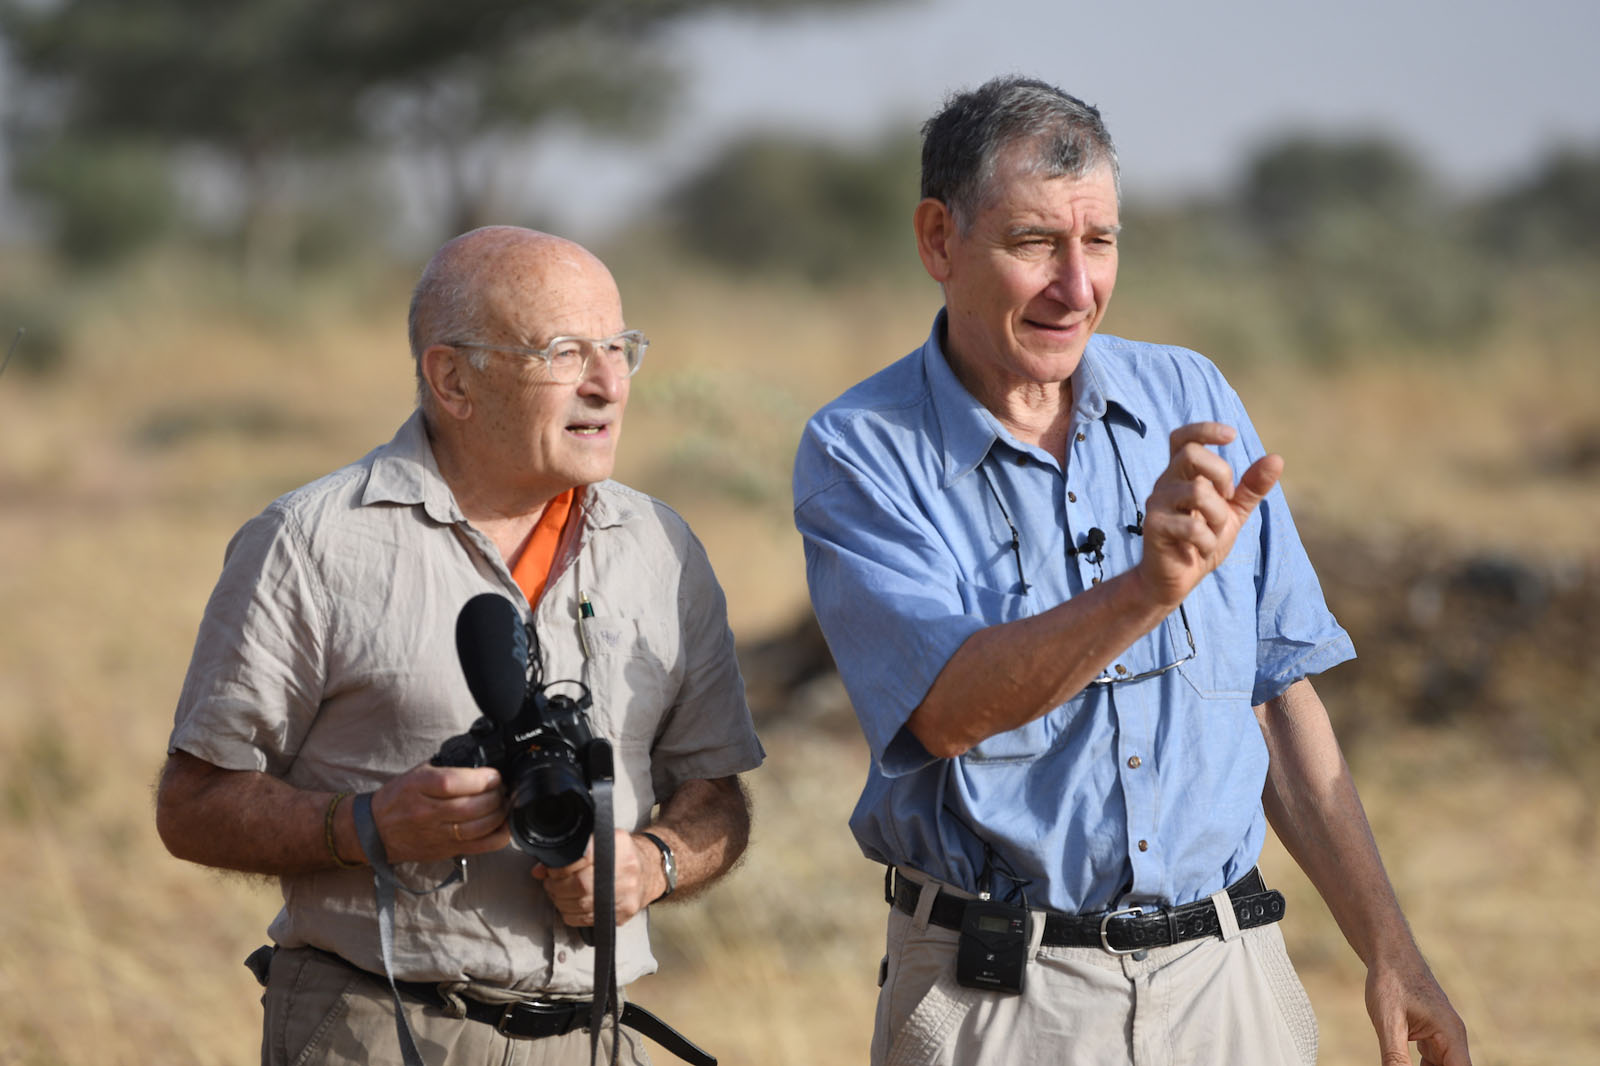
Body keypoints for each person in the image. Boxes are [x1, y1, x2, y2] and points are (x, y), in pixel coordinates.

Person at [792, 77, 1470, 1066]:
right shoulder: (862, 450)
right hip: (1004, 1002)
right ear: (939, 239)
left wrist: (1391, 949)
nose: (1077, 288)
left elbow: (1276, 696)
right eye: (1034, 244)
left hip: (1228, 984)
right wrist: (1144, 591)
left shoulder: (1190, 393)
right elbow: (944, 710)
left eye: (1099, 241)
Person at [156, 226, 764, 1066]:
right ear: (453, 379)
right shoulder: (310, 541)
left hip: (596, 1037)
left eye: (621, 348)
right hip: (376, 1029)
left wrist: (651, 865)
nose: (609, 384)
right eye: (565, 351)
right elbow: (192, 804)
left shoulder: (662, 547)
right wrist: (368, 823)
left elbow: (717, 795)